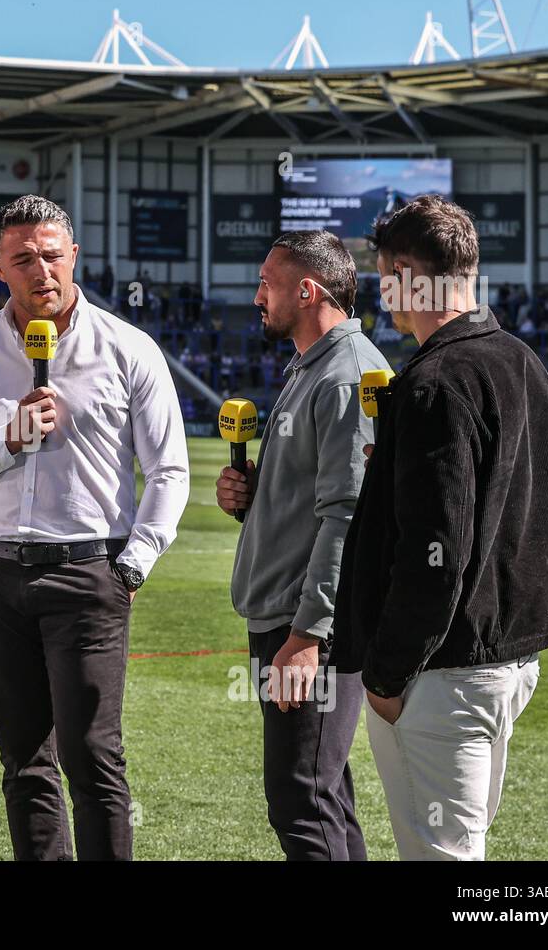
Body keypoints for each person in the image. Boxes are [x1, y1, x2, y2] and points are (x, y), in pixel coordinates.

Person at [0, 195, 189, 860]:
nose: (41, 269)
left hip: (88, 575)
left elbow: (169, 472)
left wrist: (133, 563)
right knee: (23, 761)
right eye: (23, 259)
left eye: (52, 254)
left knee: (93, 758)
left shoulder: (130, 349)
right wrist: (6, 440)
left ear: (74, 256)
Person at [332, 195, 548, 860]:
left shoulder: (435, 380)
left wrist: (385, 675)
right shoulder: (524, 362)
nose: (384, 294)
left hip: (444, 671)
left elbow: (436, 551)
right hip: (508, 659)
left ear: (410, 273)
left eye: (385, 275)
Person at [215, 230, 389, 861]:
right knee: (324, 796)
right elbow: (315, 500)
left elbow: (348, 517)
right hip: (289, 614)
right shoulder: (314, 366)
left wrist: (308, 636)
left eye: (268, 282)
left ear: (308, 290)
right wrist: (254, 494)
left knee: (302, 800)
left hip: (309, 626)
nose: (257, 295)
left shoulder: (345, 376)